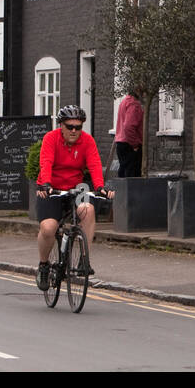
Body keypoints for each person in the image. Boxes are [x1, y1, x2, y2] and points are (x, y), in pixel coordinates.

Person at [35, 105, 113, 290]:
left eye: (78, 127)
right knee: (49, 228)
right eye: (70, 126)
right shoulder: (50, 139)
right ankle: (44, 265)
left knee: (88, 209)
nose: (74, 131)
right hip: (51, 188)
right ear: (61, 125)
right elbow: (46, 162)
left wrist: (100, 186)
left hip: (77, 187)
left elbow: (94, 164)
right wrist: (45, 184)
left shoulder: (87, 141)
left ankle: (83, 261)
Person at [114, 88, 144, 178]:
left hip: (121, 142)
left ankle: (121, 192)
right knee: (132, 176)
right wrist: (135, 145)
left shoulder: (125, 101)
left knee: (123, 173)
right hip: (129, 144)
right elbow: (129, 126)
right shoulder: (134, 104)